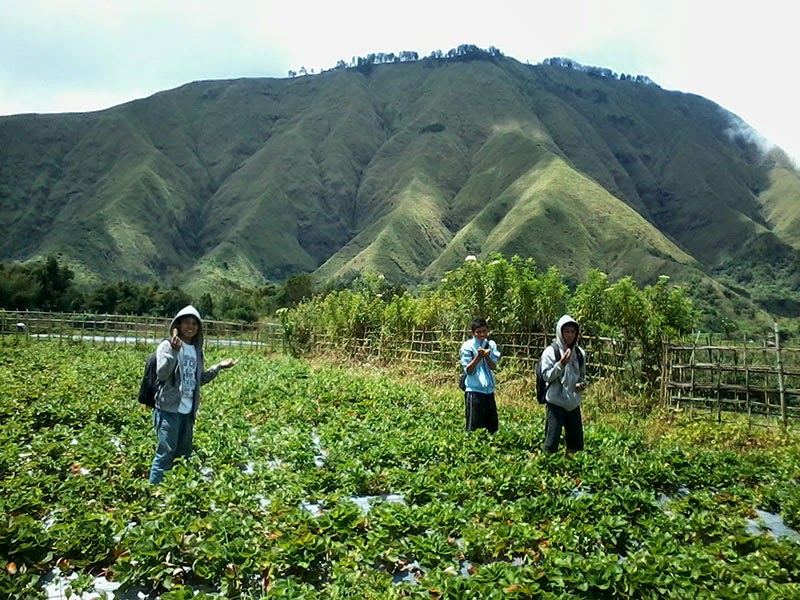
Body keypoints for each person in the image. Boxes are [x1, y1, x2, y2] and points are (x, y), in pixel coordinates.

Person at [149, 305, 236, 484]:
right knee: (166, 453)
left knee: (183, 454)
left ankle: (176, 489)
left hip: (188, 411)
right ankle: (154, 491)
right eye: (186, 322)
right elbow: (162, 374)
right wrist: (174, 351)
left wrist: (218, 366)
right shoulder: (167, 346)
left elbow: (198, 380)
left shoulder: (196, 351)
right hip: (168, 409)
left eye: (194, 323)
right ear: (178, 325)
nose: (191, 326)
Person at [539, 314, 587, 454]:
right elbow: (547, 376)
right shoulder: (550, 352)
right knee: (551, 444)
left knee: (576, 445)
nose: (570, 335)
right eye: (567, 331)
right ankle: (548, 470)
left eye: (573, 332)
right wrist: (561, 364)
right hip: (555, 403)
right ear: (560, 332)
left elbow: (582, 376)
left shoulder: (579, 353)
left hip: (573, 404)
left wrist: (582, 384)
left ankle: (571, 471)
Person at [460, 317, 501, 433]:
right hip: (474, 391)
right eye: (478, 332)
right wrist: (478, 357)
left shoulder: (491, 345)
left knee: (491, 427)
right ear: (473, 333)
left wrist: (487, 357)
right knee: (474, 428)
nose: (482, 334)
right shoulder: (468, 347)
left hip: (489, 391)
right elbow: (468, 370)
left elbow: (494, 367)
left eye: (484, 331)